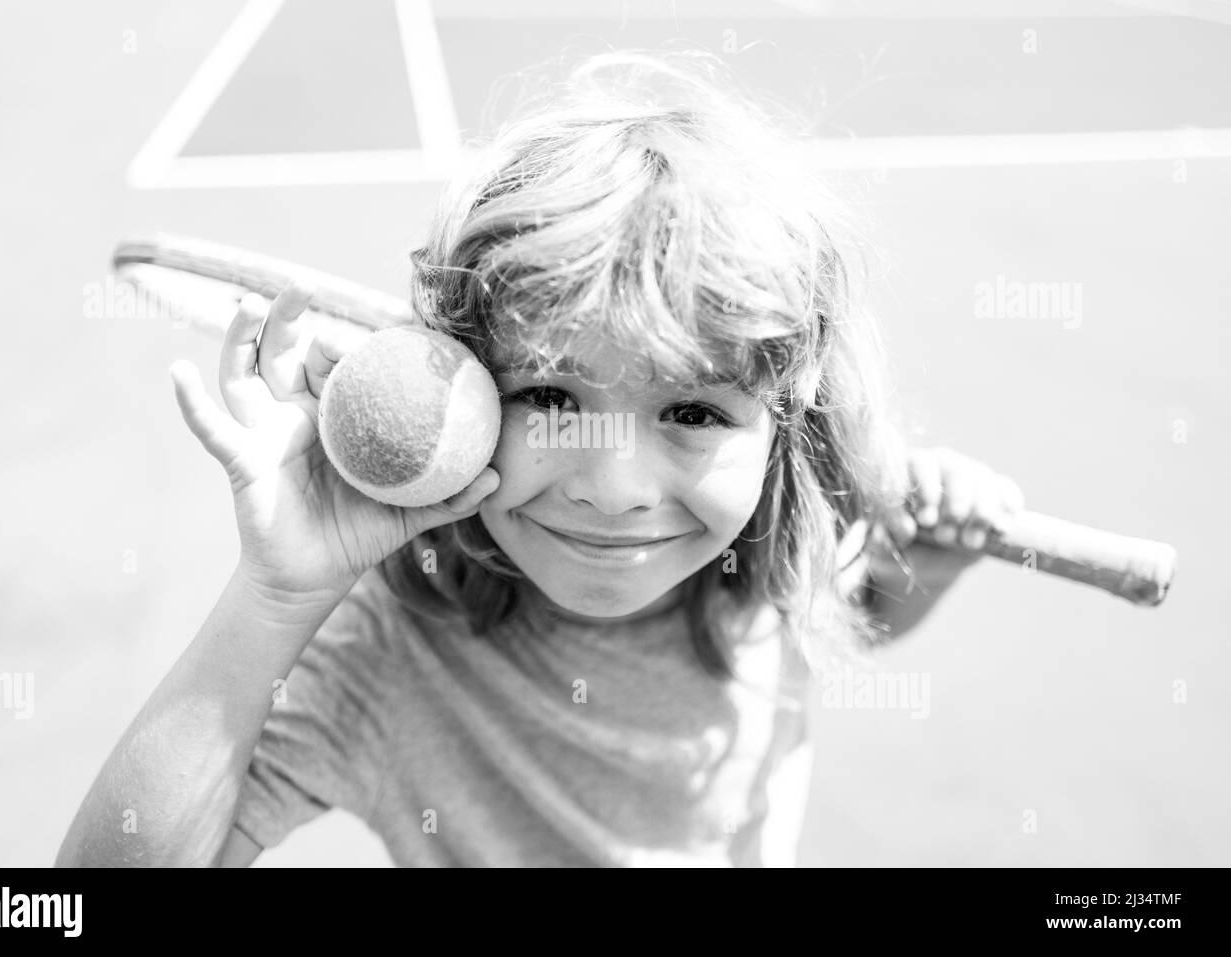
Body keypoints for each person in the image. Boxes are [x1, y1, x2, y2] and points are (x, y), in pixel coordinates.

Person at [56, 48, 1023, 868]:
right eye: (552, 397)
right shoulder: (396, 653)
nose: (613, 491)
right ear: (466, 396)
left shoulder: (761, 559)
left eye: (691, 409)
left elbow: (844, 617)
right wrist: (275, 597)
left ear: (785, 438)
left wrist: (924, 568)